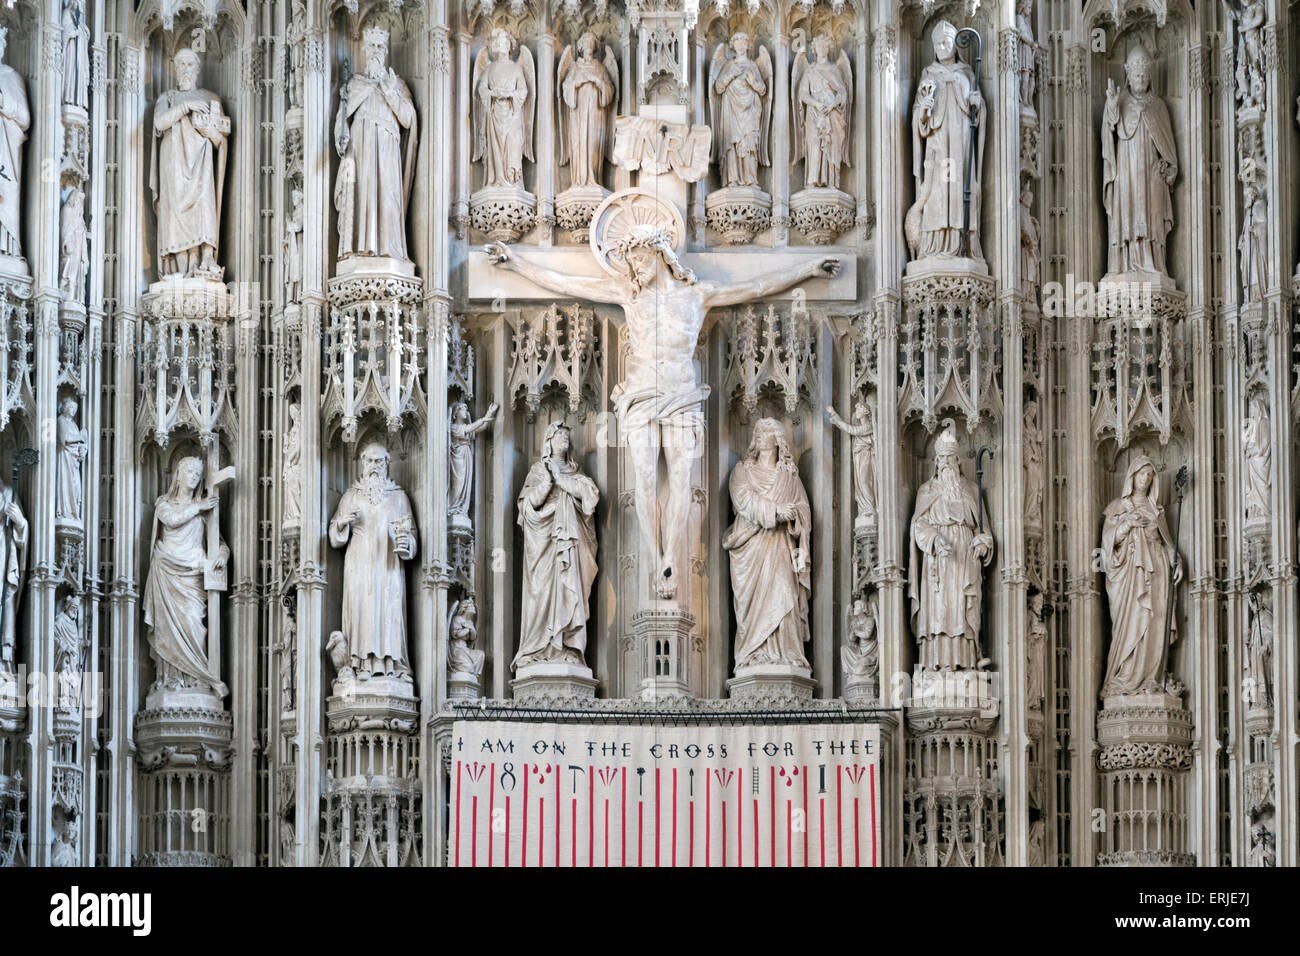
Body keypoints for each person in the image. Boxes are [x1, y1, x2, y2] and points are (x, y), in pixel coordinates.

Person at [723, 418, 813, 670]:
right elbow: (743, 501)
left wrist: (794, 516)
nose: (759, 435)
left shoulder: (789, 476)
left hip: (780, 548)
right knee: (753, 609)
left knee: (784, 592)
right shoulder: (742, 471)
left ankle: (787, 655)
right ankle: (753, 654)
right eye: (757, 431)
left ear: (778, 439)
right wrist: (776, 511)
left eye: (765, 431)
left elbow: (803, 509)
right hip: (751, 548)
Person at [328, 442, 417, 681]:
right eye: (369, 461)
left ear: (388, 464)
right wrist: (341, 522)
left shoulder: (399, 498)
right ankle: (360, 665)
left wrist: (406, 542)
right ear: (362, 464)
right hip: (358, 567)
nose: (374, 466)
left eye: (379, 461)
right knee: (361, 613)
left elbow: (412, 537)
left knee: (389, 612)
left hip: (388, 566)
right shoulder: (350, 496)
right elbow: (335, 538)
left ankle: (393, 666)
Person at [513, 423, 599, 669]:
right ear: (548, 441)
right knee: (541, 592)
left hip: (572, 545)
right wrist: (549, 481)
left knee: (571, 590)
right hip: (544, 544)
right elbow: (528, 506)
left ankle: (569, 648)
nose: (564, 439)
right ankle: (539, 649)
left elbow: (590, 497)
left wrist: (561, 478)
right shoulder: (538, 471)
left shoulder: (576, 475)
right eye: (559, 435)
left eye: (566, 436)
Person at [909, 423, 994, 671]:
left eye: (950, 458)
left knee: (961, 610)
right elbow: (918, 525)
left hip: (965, 559)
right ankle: (936, 664)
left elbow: (984, 530)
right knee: (939, 612)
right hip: (938, 559)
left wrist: (982, 543)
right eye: (941, 459)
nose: (946, 463)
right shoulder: (926, 491)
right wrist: (934, 539)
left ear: (958, 461)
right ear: (936, 462)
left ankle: (965, 664)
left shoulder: (971, 490)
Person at [142, 456, 228, 697]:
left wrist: (222, 556)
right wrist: (199, 506)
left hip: (193, 578)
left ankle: (196, 680)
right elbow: (171, 519)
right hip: (166, 573)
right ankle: (169, 679)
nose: (193, 476)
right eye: (188, 471)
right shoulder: (164, 504)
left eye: (197, 473)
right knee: (167, 632)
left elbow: (220, 543)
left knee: (192, 624)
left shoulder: (204, 514)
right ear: (177, 475)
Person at [1098, 456, 1181, 698]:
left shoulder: (1157, 510)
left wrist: (1178, 561)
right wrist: (1127, 525)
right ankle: (1125, 678)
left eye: (1150, 475)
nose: (1146, 479)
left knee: (1155, 623)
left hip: (1157, 571)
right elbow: (1106, 545)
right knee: (1133, 621)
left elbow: (1166, 543)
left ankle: (1151, 679)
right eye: (1142, 474)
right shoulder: (1117, 507)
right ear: (1132, 476)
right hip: (1131, 575)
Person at [333, 26, 417, 260]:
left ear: (386, 50)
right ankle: (359, 249)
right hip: (360, 151)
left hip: (387, 151)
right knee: (361, 196)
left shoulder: (396, 84)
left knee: (387, 197)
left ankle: (389, 250)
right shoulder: (354, 85)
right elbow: (342, 120)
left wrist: (391, 93)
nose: (376, 51)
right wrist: (342, 137)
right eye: (371, 46)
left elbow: (409, 119)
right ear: (364, 49)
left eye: (380, 46)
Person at [152, 47, 229, 278]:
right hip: (174, 167)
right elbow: (159, 123)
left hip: (201, 167)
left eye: (189, 64)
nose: (185, 69)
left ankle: (204, 261)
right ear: (176, 69)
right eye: (181, 64)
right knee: (175, 212)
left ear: (197, 69)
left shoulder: (211, 99)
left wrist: (206, 130)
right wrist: (186, 107)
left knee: (204, 205)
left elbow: (221, 141)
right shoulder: (167, 98)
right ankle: (180, 267)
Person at [1101, 45, 1177, 277]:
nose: (1140, 78)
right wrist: (1112, 105)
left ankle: (1153, 264)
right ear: (1128, 75)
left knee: (1151, 214)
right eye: (1136, 74)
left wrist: (1168, 168)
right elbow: (1108, 130)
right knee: (1127, 214)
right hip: (1126, 171)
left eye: (1144, 74)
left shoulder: (1158, 106)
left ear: (1150, 75)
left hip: (1152, 174)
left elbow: (1168, 148)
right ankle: (1124, 264)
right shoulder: (1120, 101)